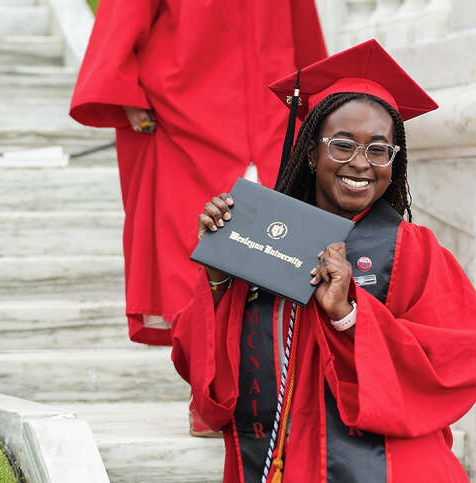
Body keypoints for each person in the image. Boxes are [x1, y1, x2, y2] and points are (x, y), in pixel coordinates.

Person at [170, 40, 476, 483]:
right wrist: (220, 277)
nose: (361, 163)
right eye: (343, 144)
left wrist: (349, 316)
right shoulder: (261, 237)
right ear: (312, 152)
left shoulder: (414, 251)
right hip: (278, 476)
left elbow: (453, 366)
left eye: (379, 150)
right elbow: (202, 371)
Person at [68, 0, 327, 345]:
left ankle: (260, 385)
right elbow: (124, 12)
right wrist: (127, 94)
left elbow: (302, 27)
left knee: (282, 262)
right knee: (191, 267)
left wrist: (320, 100)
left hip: (272, 112)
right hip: (181, 114)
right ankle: (208, 385)